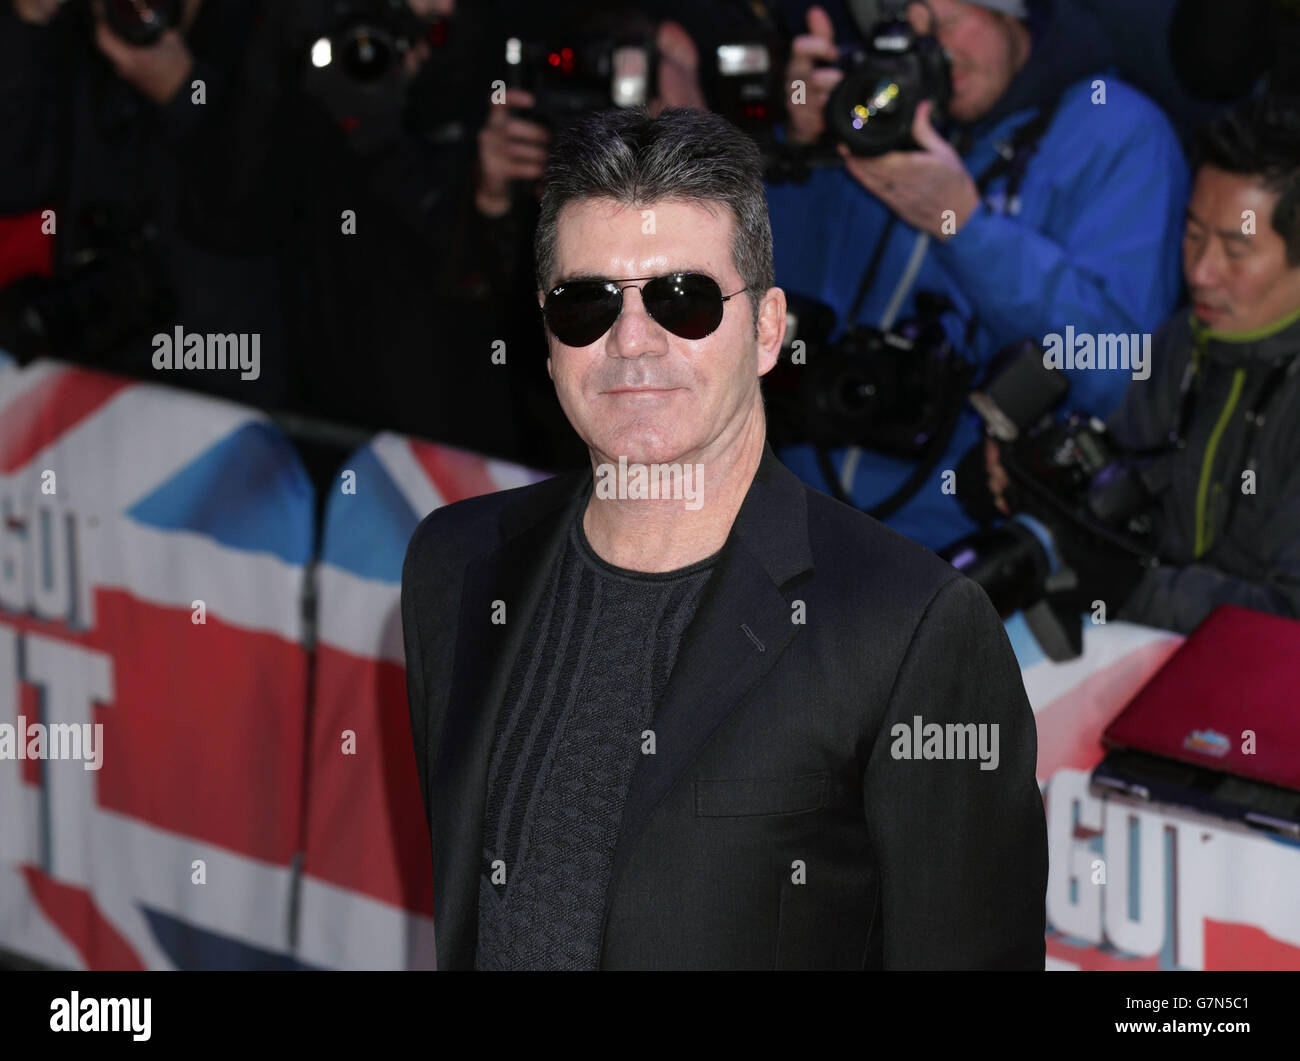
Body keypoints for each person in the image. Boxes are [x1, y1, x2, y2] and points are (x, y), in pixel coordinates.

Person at [401, 106, 1048, 970]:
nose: (632, 341)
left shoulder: (908, 627)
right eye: (587, 302)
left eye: (684, 299)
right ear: (549, 339)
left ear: (770, 329)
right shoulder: (455, 564)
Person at [765, 0, 1188, 552]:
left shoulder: (1120, 135)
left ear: (1013, 14)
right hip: (796, 515)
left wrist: (966, 226)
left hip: (962, 552)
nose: (931, 50)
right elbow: (765, 295)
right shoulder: (880, 110)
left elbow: (1119, 371)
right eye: (905, 31)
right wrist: (799, 150)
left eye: (943, 23)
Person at [986, 93, 1300, 634]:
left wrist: (1127, 588)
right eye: (1193, 234)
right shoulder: (1183, 342)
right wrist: (1034, 490)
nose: (1201, 271)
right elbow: (1133, 497)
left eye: (1236, 249)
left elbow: (1288, 622)